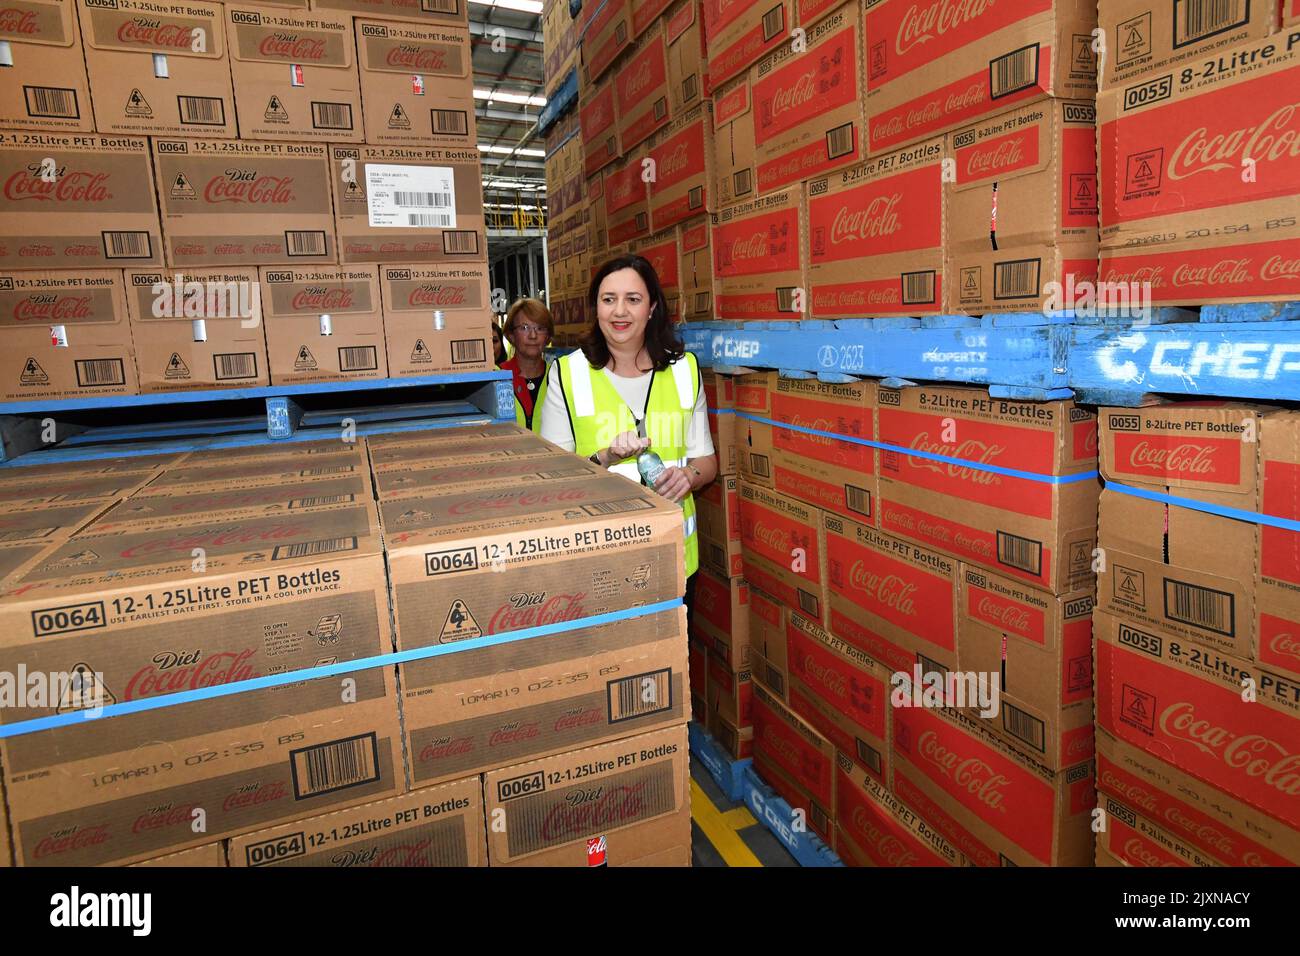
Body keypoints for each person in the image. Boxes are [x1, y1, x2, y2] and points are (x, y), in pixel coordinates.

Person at [539, 254, 717, 583]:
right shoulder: (567, 375)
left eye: (633, 299)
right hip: (600, 563)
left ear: (651, 308)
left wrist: (689, 476)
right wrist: (605, 457)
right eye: (609, 299)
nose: (619, 311)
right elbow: (553, 480)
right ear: (597, 308)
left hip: (672, 556)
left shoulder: (684, 370)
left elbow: (706, 460)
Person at [500, 298, 553, 432]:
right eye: (524, 328)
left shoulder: (558, 377)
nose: (533, 335)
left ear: (547, 337)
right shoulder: (497, 377)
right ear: (511, 335)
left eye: (540, 328)